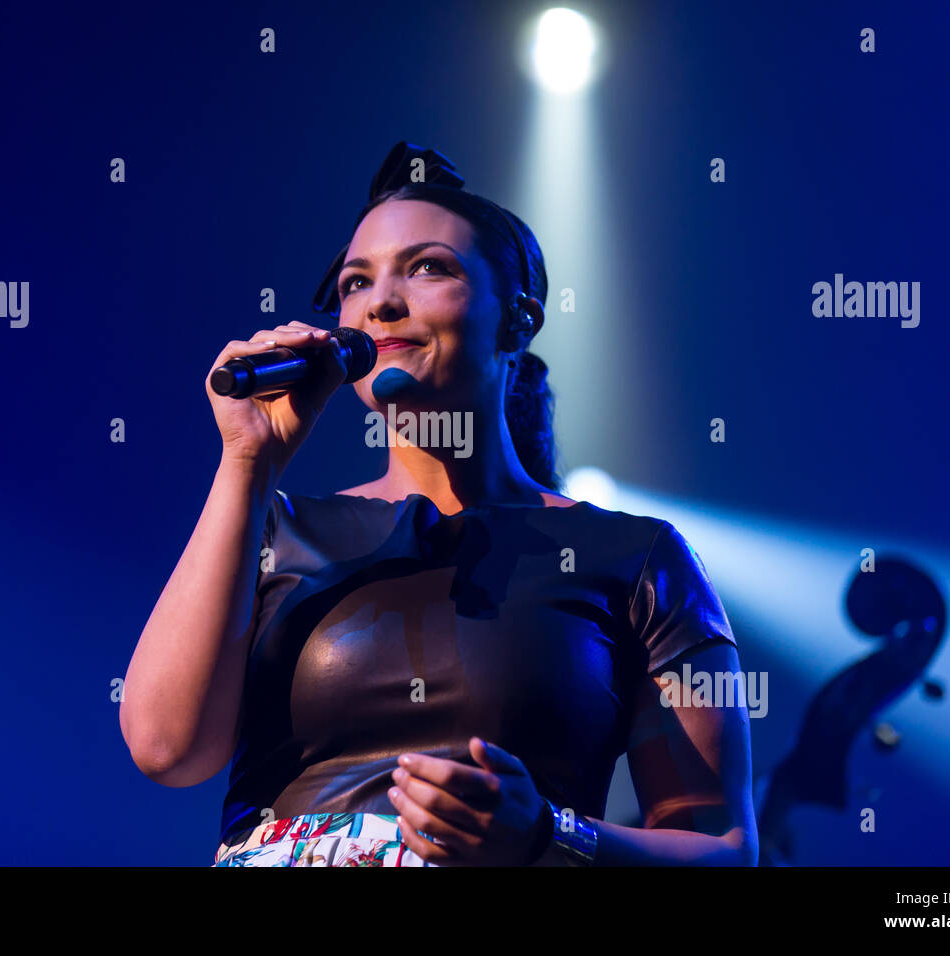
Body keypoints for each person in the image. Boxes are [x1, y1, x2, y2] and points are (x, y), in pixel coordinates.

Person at [119, 142, 758, 867]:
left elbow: (723, 852)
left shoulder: (637, 558)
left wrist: (547, 836)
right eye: (355, 283)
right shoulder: (277, 527)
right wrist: (247, 460)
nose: (381, 302)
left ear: (518, 321)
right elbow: (166, 748)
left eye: (428, 268)